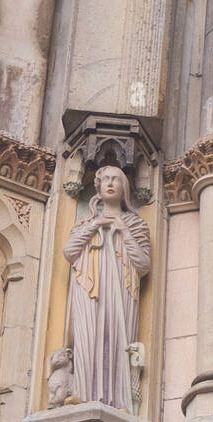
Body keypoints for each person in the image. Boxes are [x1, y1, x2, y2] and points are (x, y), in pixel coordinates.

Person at [61, 165, 152, 409]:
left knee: (115, 338)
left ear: (124, 188)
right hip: (89, 289)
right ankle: (81, 392)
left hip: (120, 290)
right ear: (98, 188)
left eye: (116, 180)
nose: (111, 183)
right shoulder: (86, 223)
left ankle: (119, 401)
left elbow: (143, 264)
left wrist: (123, 230)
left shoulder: (136, 224)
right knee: (87, 337)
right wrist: (96, 226)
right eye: (106, 180)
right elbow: (69, 252)